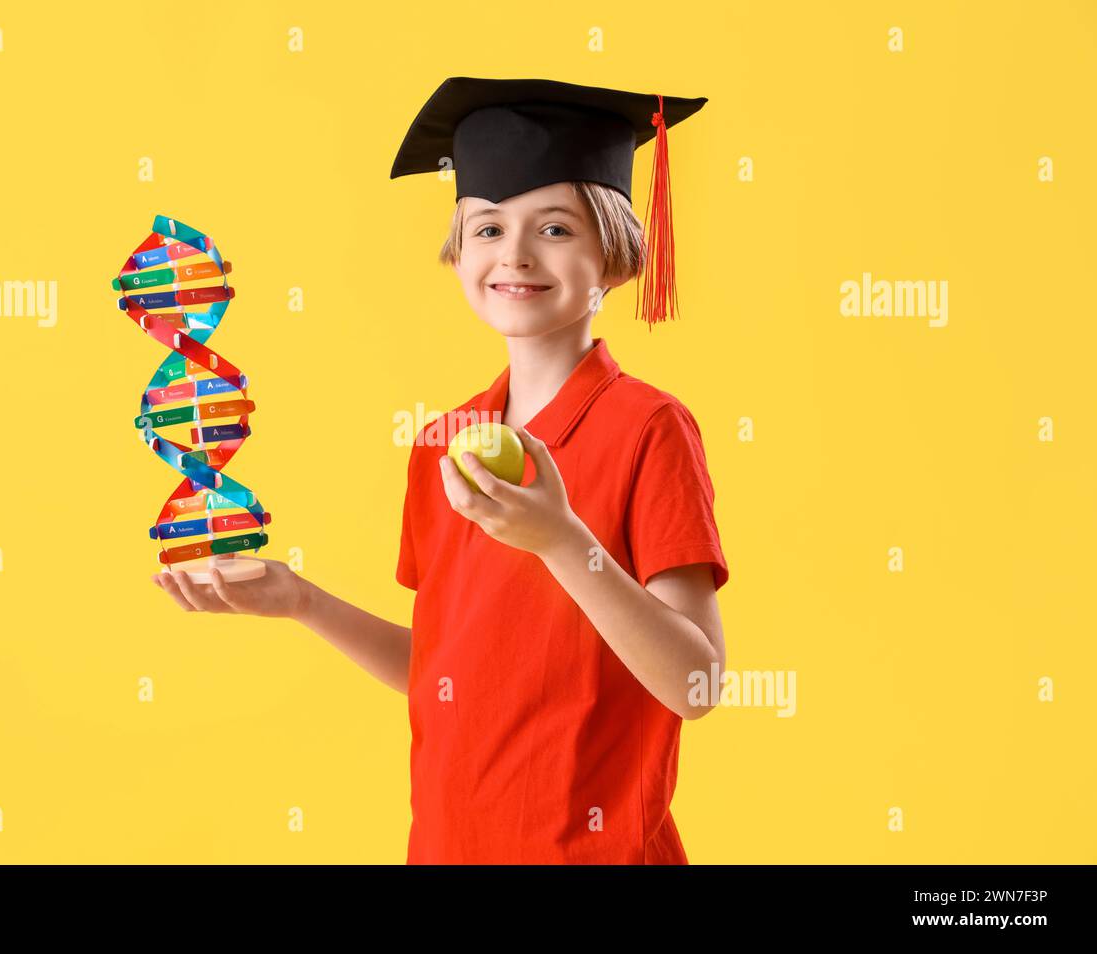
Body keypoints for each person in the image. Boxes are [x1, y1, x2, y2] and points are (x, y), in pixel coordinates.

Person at [153, 76, 729, 864]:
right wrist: (300, 601)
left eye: (555, 228)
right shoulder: (442, 444)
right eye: (487, 229)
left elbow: (695, 684)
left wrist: (561, 539)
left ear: (619, 257)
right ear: (459, 255)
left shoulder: (649, 429)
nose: (516, 254)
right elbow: (447, 674)